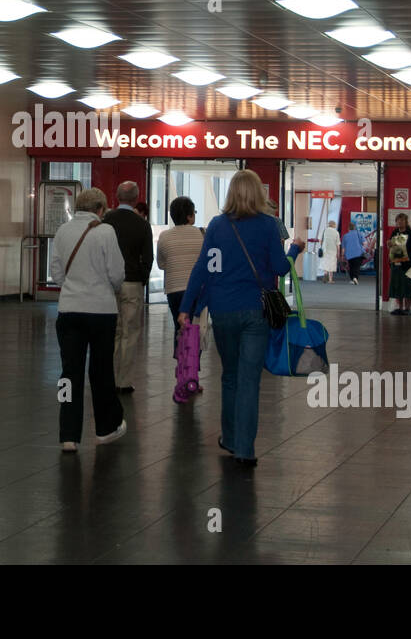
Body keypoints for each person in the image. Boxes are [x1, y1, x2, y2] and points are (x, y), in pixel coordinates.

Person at [178, 170, 302, 466]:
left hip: (223, 312)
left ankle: (230, 438)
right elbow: (280, 269)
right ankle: (245, 449)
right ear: (258, 193)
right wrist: (295, 249)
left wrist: (187, 307)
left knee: (230, 376)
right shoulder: (269, 225)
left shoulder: (217, 226)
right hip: (256, 312)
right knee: (249, 380)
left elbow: (202, 270)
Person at [49, 187, 127, 452]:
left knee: (69, 373)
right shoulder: (106, 231)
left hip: (69, 310)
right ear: (100, 209)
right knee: (101, 370)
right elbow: (117, 273)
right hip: (101, 311)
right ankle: (106, 428)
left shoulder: (62, 231)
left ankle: (67, 433)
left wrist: (72, 286)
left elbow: (56, 272)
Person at [103, 181, 152, 394]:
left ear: (116, 197)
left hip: (107, 283)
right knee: (129, 333)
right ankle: (123, 381)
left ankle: (106, 376)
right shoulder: (141, 224)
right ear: (135, 199)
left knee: (111, 330)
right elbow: (147, 258)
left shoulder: (105, 221)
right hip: (131, 283)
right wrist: (141, 278)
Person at [157, 196, 202, 327]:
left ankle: (179, 348)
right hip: (195, 289)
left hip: (173, 290)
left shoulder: (164, 236)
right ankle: (193, 348)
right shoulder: (201, 234)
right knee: (194, 330)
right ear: (189, 216)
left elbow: (161, 265)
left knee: (179, 329)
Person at [387, 212, 411, 315]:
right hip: (396, 263)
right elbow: (390, 245)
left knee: (408, 286)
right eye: (398, 220)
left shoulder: (410, 233)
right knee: (398, 285)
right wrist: (389, 244)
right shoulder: (395, 232)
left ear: (406, 221)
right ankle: (400, 307)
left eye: (402, 220)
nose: (400, 222)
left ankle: (408, 307)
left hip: (408, 264)